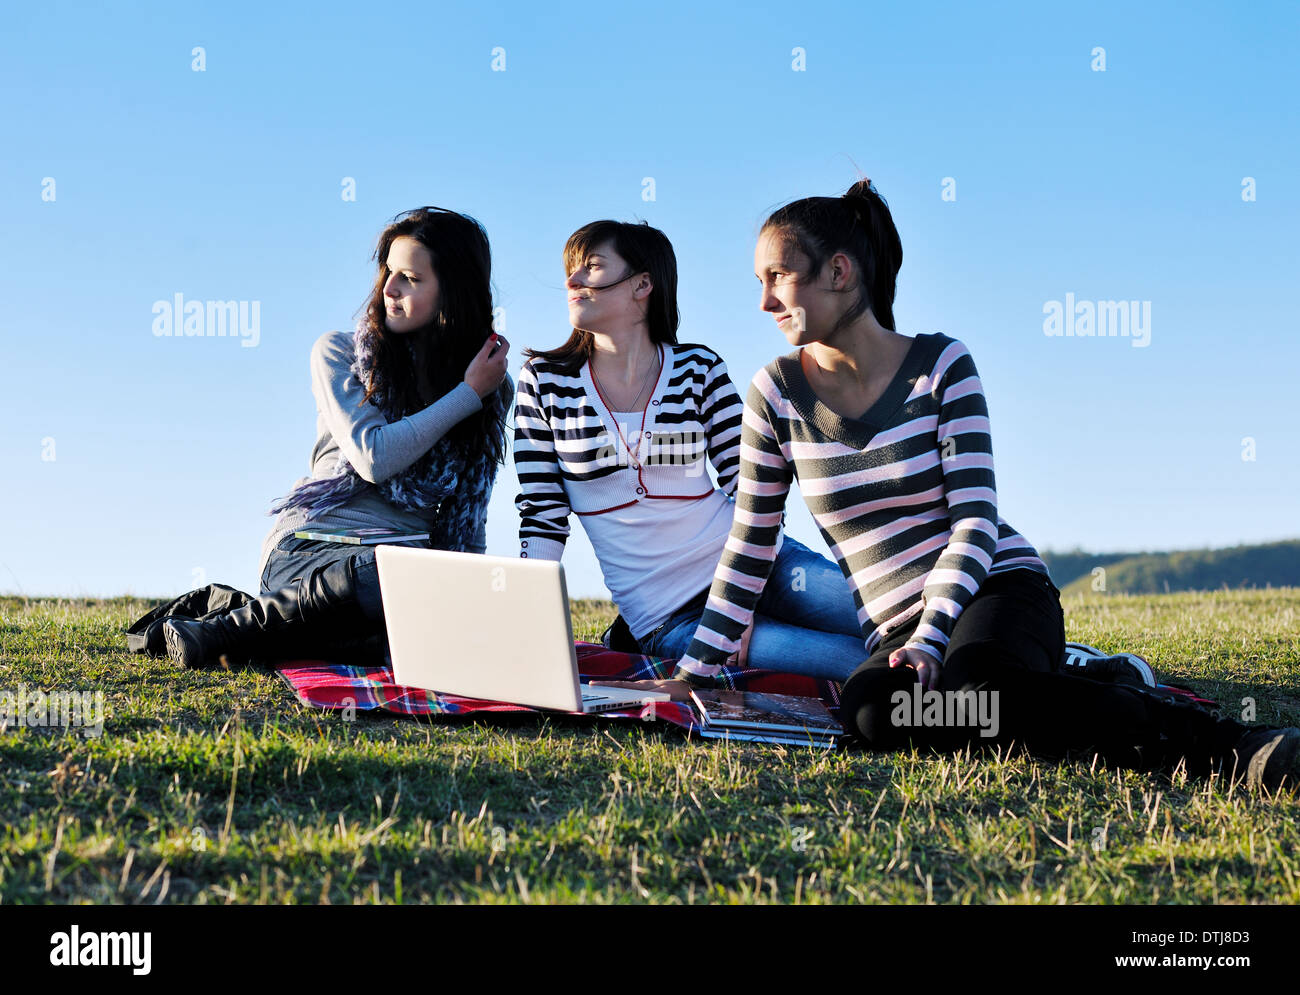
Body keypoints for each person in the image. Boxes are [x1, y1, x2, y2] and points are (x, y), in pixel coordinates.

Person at [668, 179, 1299, 790]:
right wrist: (692, 673)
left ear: (839, 271)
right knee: (874, 714)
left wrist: (933, 635)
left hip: (995, 587)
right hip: (898, 627)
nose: (765, 301)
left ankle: (1227, 747)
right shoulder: (775, 394)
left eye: (778, 276)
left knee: (979, 691)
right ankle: (1090, 683)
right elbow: (752, 541)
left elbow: (975, 520)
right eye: (759, 281)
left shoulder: (941, 366)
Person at [513, 219, 868, 687]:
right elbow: (542, 513)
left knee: (894, 617)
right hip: (670, 616)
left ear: (642, 284)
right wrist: (527, 622)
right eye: (570, 271)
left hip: (765, 566)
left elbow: (753, 487)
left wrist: (737, 599)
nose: (572, 281)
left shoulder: (698, 368)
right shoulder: (544, 381)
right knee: (856, 664)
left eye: (592, 267)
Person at [163, 207, 513, 668]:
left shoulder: (490, 387)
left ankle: (252, 632)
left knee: (432, 614)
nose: (389, 288)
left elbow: (468, 512)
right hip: (309, 551)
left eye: (410, 278)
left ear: (453, 291)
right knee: (392, 575)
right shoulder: (338, 352)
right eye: (388, 271)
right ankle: (234, 629)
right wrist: (465, 395)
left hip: (406, 571)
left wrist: (465, 593)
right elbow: (374, 457)